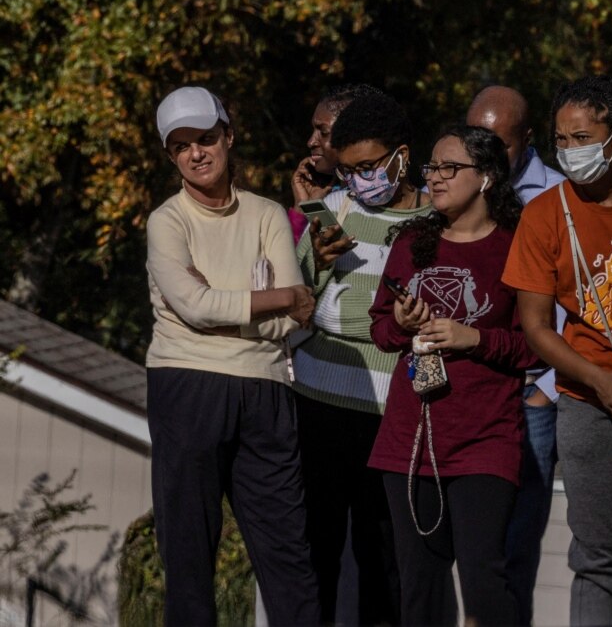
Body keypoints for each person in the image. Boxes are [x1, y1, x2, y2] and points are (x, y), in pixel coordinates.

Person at [144, 85, 319, 625]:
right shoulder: (166, 222)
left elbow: (294, 317)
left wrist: (231, 305)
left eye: (207, 138)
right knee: (189, 556)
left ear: (228, 136)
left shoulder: (268, 214)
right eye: (182, 146)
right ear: (171, 156)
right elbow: (198, 307)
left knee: (289, 556)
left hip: (265, 389)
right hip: (186, 387)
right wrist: (276, 299)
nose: (197, 152)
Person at [502, 75, 612, 625]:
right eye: (561, 140)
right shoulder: (545, 214)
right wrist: (598, 381)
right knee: (601, 558)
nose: (572, 151)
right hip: (588, 400)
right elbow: (535, 327)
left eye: (583, 137)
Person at [369, 124, 537, 625]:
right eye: (431, 168)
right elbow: (380, 330)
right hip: (409, 440)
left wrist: (475, 338)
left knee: (485, 585)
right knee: (418, 589)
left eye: (449, 168)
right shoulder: (412, 241)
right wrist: (400, 322)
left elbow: (538, 346)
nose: (435, 179)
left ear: (485, 177)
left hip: (485, 440)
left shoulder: (516, 246)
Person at [293, 90, 431, 624]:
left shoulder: (434, 221)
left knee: (384, 557)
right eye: (348, 171)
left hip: (390, 409)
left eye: (370, 167)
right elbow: (297, 303)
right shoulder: (334, 207)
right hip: (318, 400)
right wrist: (316, 245)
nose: (359, 181)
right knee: (315, 550)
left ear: (402, 154)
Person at [466, 84, 565, 625]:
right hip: (467, 393)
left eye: (497, 144)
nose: (483, 154)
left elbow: (571, 309)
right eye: (474, 139)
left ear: (525, 140)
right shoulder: (456, 187)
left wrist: (543, 394)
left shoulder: (556, 198)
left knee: (515, 554)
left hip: (528, 398)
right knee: (466, 551)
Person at [289, 84, 384, 243]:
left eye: (323, 132)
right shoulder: (329, 196)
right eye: (313, 131)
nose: (311, 142)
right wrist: (304, 206)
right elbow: (295, 260)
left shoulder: (376, 195)